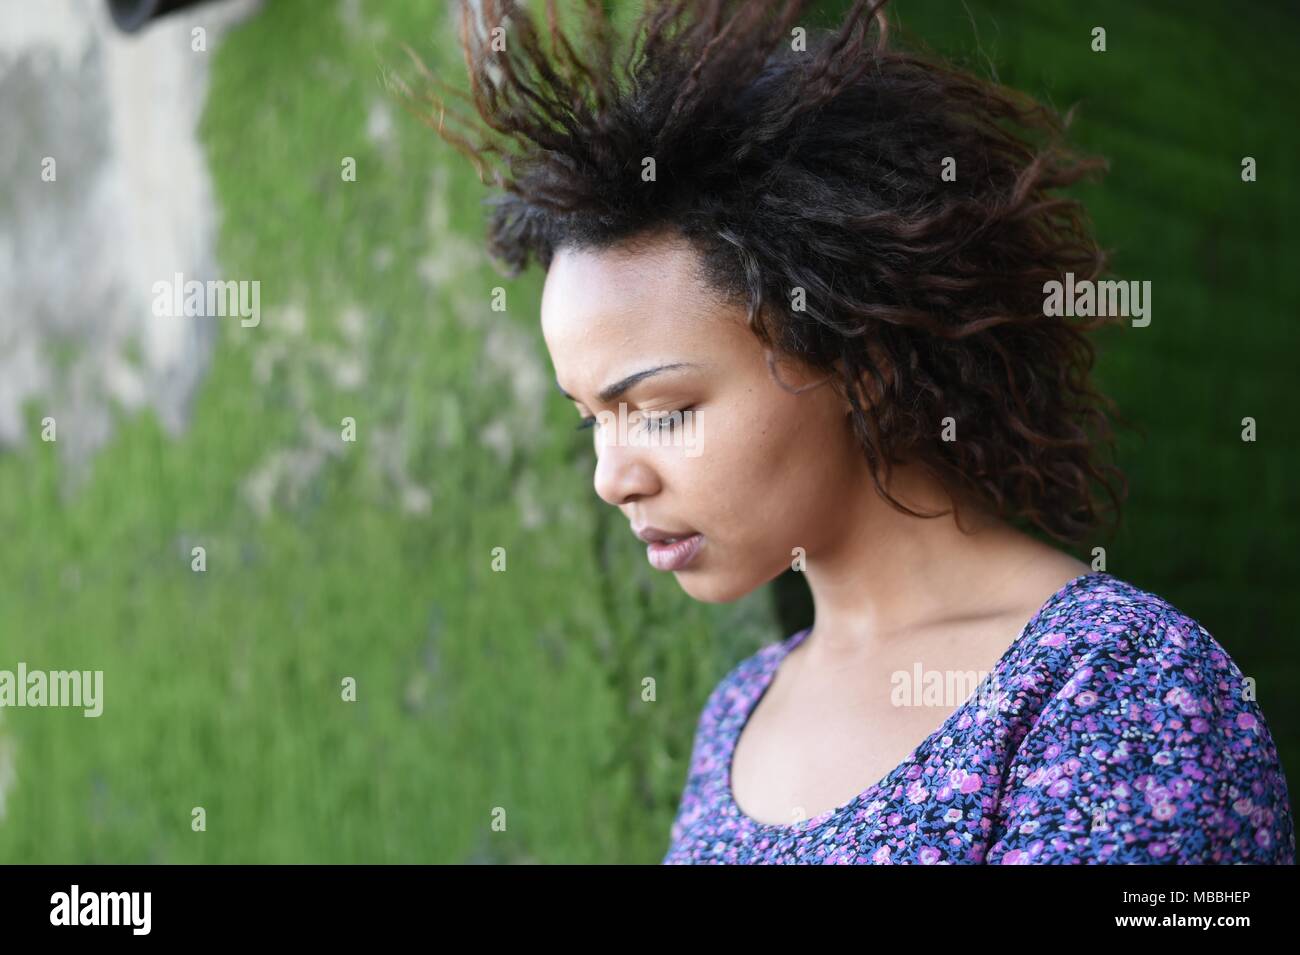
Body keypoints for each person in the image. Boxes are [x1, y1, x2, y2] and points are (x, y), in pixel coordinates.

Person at [402, 0, 1296, 863]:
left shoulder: (1113, 688)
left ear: (858, 360)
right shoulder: (740, 711)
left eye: (663, 410)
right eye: (592, 418)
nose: (611, 477)